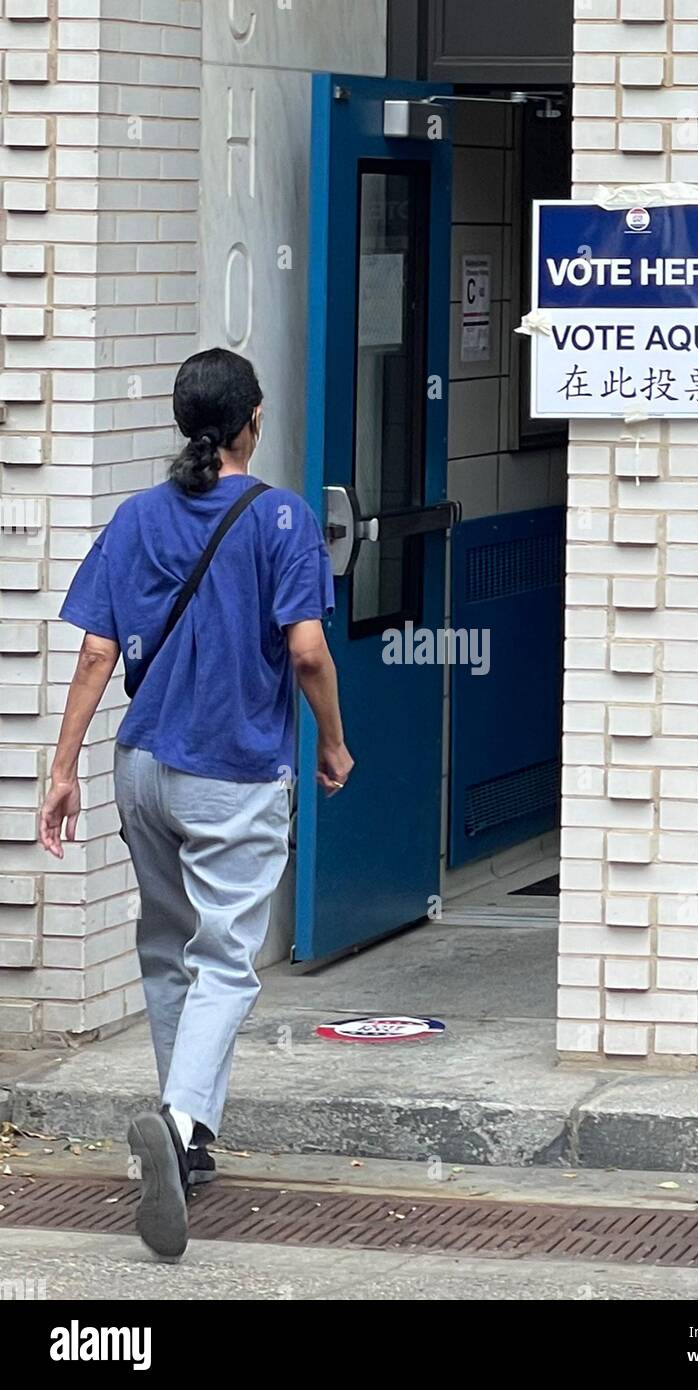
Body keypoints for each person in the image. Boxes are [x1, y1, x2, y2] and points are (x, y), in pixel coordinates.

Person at [39, 347, 353, 1260]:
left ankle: (194, 1143)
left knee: (167, 945)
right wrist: (332, 739)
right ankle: (177, 1128)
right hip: (232, 771)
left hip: (141, 765)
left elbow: (97, 654)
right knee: (226, 959)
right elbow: (305, 653)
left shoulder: (137, 516)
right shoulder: (284, 520)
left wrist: (62, 770)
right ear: (253, 417)